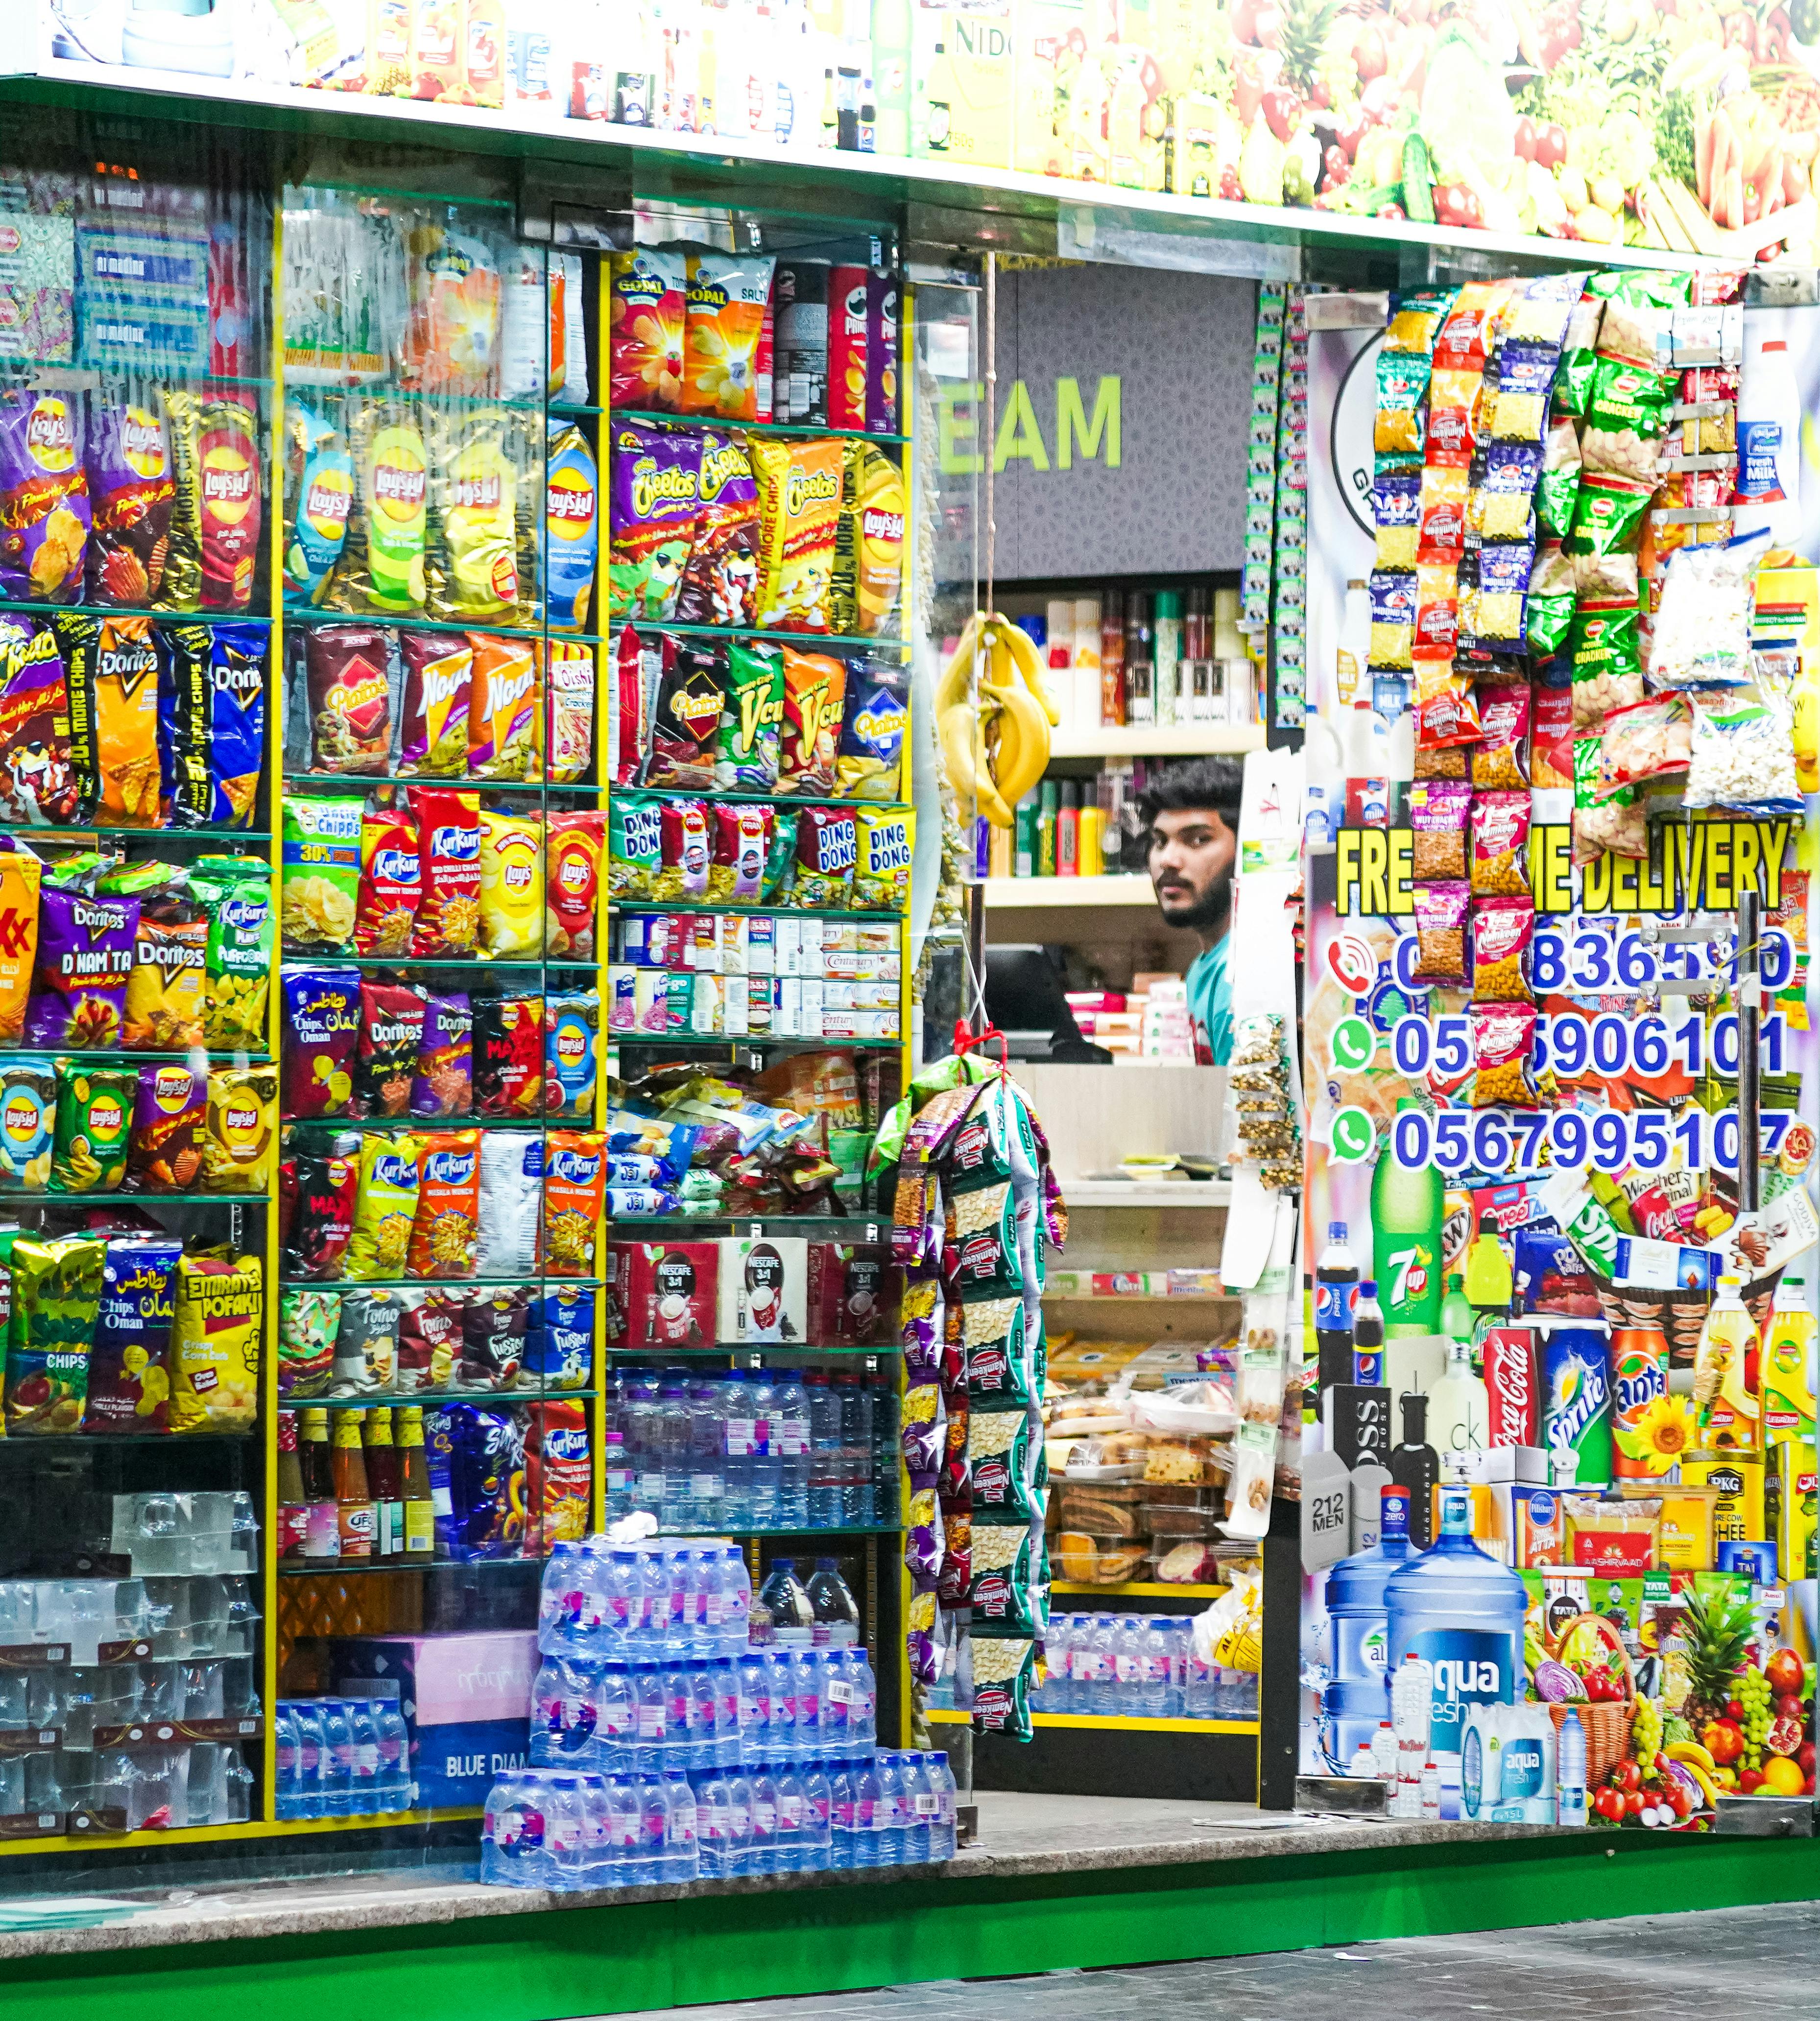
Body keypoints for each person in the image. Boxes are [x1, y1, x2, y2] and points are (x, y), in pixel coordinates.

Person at [1141, 756, 1240, 1066]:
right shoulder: (1204, 968)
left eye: (1197, 840)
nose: (1168, 859)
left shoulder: (1246, 976)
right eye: (1160, 841)